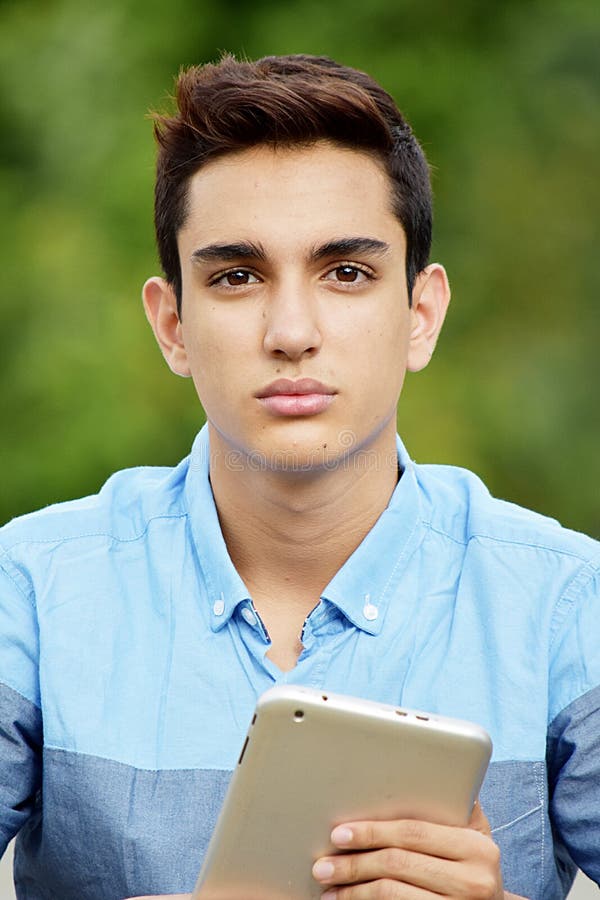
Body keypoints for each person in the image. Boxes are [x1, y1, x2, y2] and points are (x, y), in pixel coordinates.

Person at [0, 53, 598, 900]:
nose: (291, 330)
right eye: (236, 276)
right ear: (172, 324)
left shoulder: (567, 607)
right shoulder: (30, 589)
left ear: (420, 315)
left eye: (346, 272)